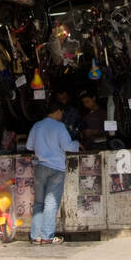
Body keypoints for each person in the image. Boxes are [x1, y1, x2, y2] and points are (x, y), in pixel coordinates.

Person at [25, 100, 79, 245]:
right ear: (57, 111)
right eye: (61, 112)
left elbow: (29, 145)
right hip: (56, 168)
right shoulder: (60, 127)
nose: (62, 115)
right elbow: (68, 146)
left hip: (39, 167)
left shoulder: (37, 126)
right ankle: (47, 236)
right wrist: (78, 144)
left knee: (38, 202)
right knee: (51, 203)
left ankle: (35, 236)